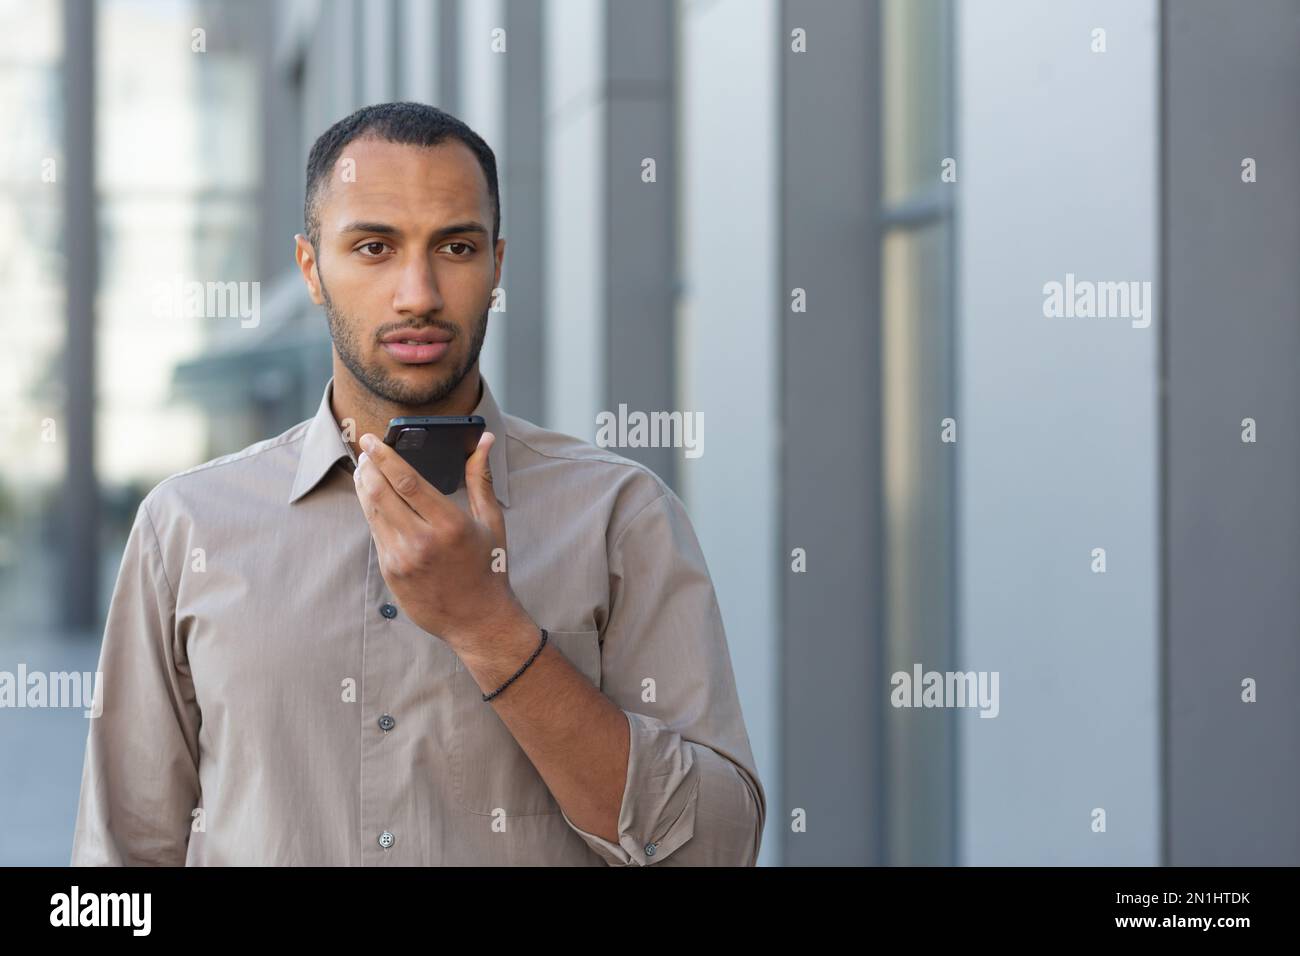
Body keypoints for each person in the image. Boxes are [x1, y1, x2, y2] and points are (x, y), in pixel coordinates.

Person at [70, 102, 765, 866]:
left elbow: (718, 846)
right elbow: (121, 861)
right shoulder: (186, 528)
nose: (418, 294)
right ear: (311, 268)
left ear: (497, 265)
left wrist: (490, 629)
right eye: (373, 247)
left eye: (456, 247)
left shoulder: (619, 516)